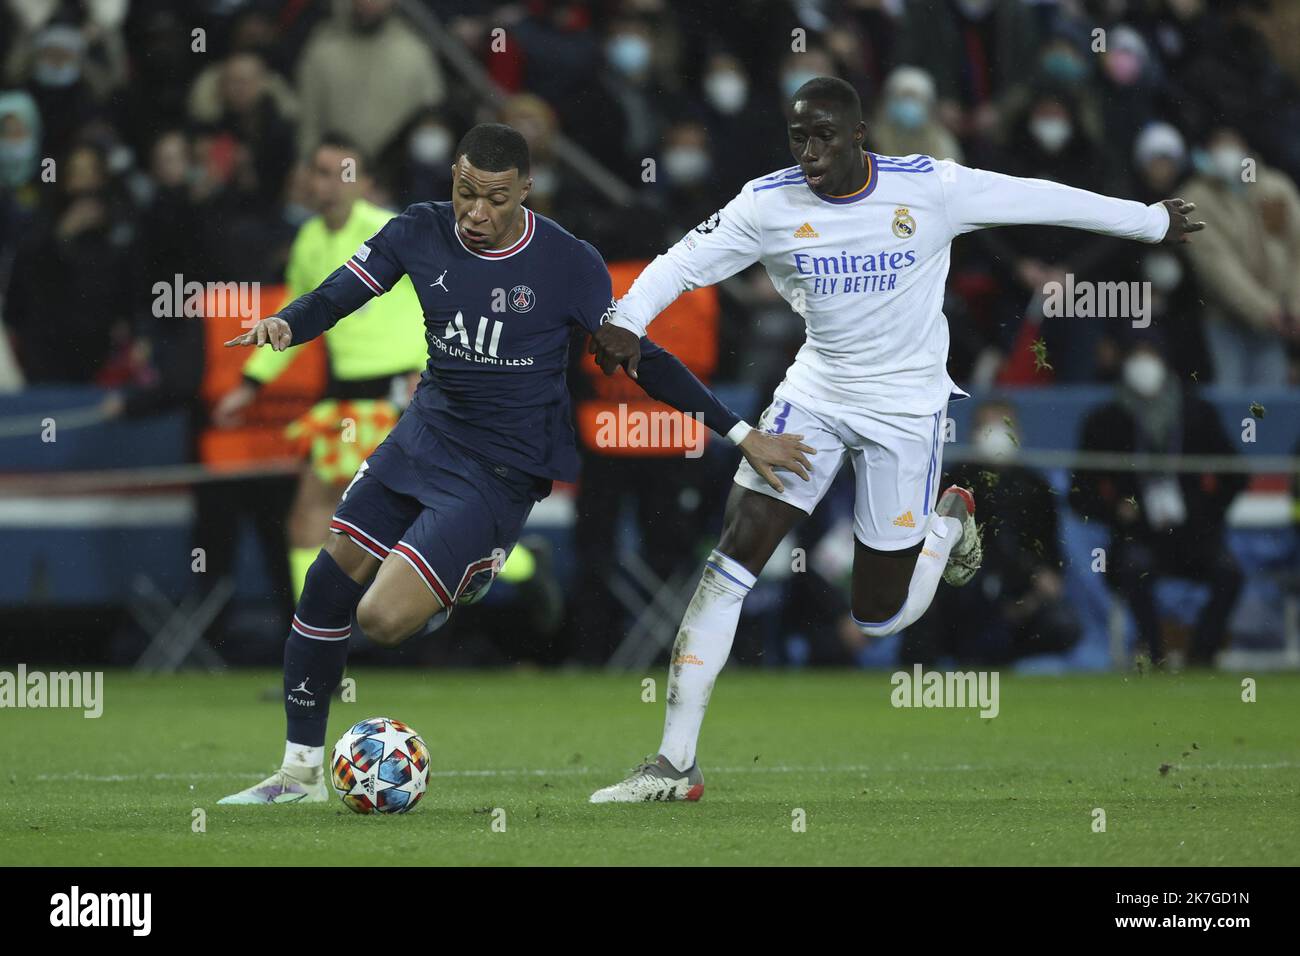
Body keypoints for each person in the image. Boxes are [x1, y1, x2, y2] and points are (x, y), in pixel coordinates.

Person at [588, 75, 1205, 803]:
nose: (808, 152)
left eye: (823, 136)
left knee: (878, 618)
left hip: (906, 412)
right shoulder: (767, 202)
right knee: (734, 554)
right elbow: (683, 263)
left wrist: (1149, 222)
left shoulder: (930, 188)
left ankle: (947, 526)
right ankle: (675, 763)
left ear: (858, 136)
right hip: (814, 394)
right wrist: (627, 315)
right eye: (798, 136)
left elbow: (1040, 195)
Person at [216, 123, 807, 805]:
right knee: (328, 579)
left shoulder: (567, 263)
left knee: (380, 621)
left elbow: (642, 359)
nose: (475, 212)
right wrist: (288, 325)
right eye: (465, 192)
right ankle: (296, 774)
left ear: (526, 190)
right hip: (423, 436)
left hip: (501, 466)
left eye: (495, 199)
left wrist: (739, 433)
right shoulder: (419, 229)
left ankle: (476, 568)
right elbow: (343, 290)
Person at [212, 134, 427, 601]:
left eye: (342, 173)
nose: (329, 183)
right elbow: (295, 320)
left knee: (420, 522)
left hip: (403, 393)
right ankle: (314, 636)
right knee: (312, 513)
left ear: (367, 182)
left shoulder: (393, 231)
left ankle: (517, 565)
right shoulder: (308, 240)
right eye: (321, 172)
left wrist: (428, 373)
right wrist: (249, 385)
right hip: (345, 395)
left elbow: (443, 305)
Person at [1069, 337, 1246, 667]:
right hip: (1137, 533)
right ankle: (1154, 652)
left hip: (1194, 533)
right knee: (1132, 568)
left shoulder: (1197, 413)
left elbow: (1236, 473)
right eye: (1136, 357)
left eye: (1151, 356)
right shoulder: (1106, 420)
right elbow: (1080, 492)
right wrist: (1116, 510)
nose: (1144, 366)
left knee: (1230, 573)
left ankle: (1201, 656)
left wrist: (1204, 510)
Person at [901, 401, 1079, 667]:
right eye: (987, 427)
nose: (995, 435)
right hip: (964, 593)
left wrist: (1031, 596)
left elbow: (1051, 561)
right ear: (973, 434)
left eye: (1003, 426)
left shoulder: (1036, 488)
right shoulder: (956, 480)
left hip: (1022, 594)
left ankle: (1009, 668)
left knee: (1063, 624)